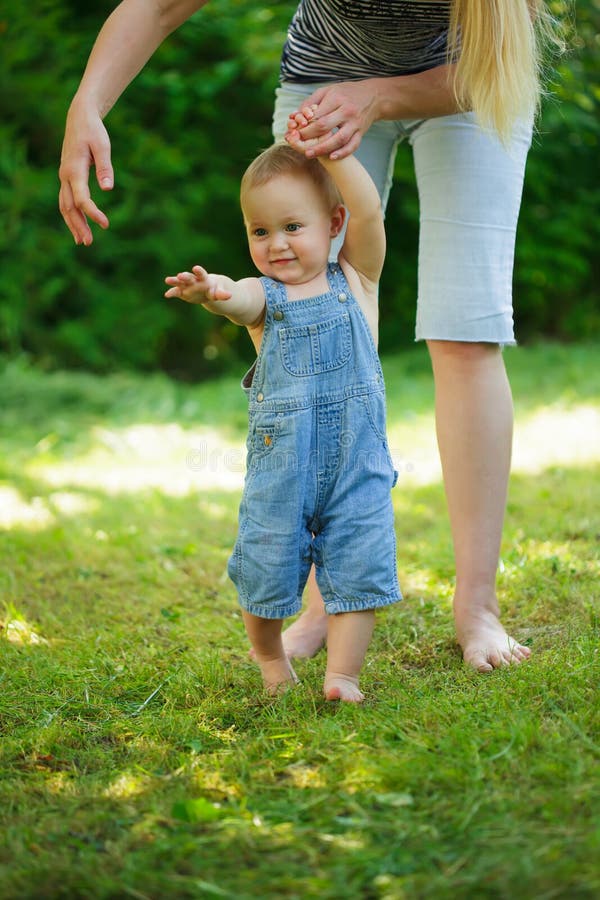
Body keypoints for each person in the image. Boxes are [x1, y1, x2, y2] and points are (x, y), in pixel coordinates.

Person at [59, 0, 559, 672]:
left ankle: (477, 606)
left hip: (474, 77)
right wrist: (86, 103)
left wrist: (379, 94)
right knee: (305, 314)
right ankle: (327, 607)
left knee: (466, 331)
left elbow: (504, 59)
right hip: (325, 79)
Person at [164, 129, 401, 700]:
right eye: (260, 231)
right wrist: (213, 291)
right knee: (265, 569)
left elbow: (370, 212)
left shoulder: (358, 279)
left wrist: (335, 156)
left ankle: (342, 676)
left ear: (333, 223)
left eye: (293, 227)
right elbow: (239, 296)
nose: (277, 244)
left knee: (360, 568)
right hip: (281, 472)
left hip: (356, 465)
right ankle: (271, 660)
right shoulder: (264, 298)